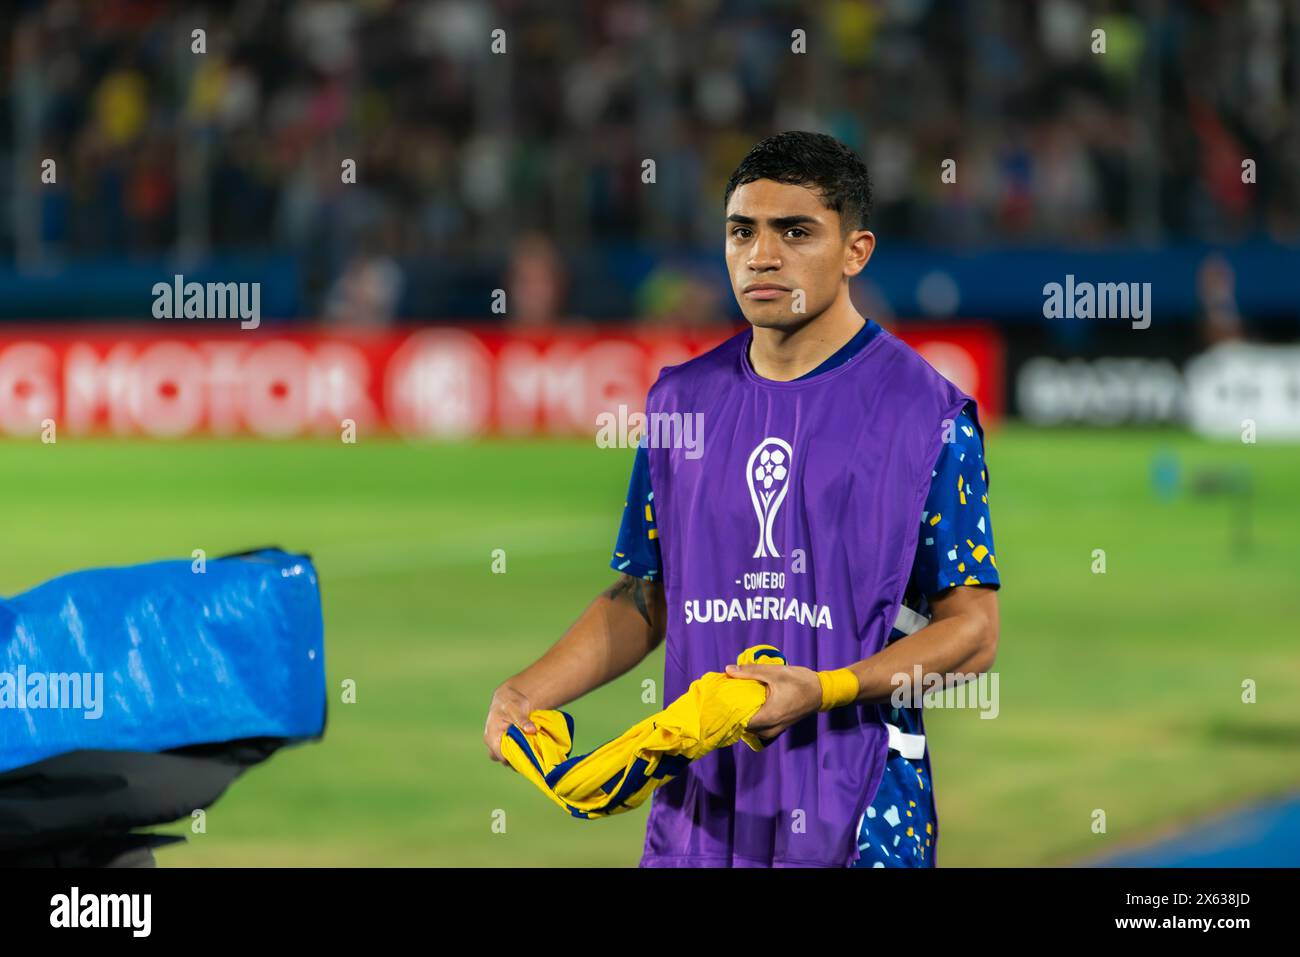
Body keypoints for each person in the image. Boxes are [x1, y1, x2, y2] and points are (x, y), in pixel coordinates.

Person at [485, 131, 1000, 867]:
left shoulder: (930, 416)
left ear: (856, 251)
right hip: (699, 814)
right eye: (742, 231)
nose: (762, 255)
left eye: (795, 232)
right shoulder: (681, 400)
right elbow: (646, 596)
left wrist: (823, 688)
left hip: (858, 814)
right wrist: (525, 691)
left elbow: (974, 631)